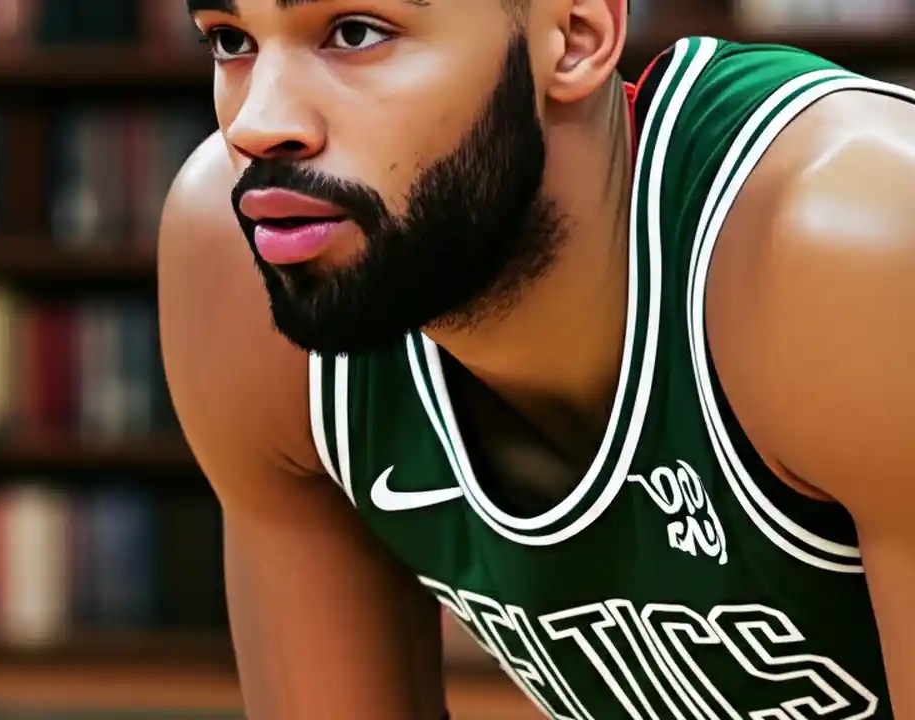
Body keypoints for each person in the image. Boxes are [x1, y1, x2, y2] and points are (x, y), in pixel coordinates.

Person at [157, 0, 915, 717]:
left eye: (356, 32)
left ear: (577, 35)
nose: (258, 124)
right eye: (231, 39)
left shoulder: (852, 240)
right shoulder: (243, 258)